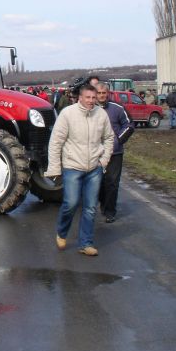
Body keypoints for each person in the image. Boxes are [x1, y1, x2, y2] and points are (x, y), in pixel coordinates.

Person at [46, 84, 114, 256]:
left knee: (90, 207)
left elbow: (109, 138)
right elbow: (56, 142)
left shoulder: (101, 114)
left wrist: (103, 161)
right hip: (72, 166)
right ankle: (62, 232)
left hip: (94, 168)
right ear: (80, 98)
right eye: (88, 97)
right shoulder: (68, 114)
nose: (91, 101)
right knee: (71, 203)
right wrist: (54, 168)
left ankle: (86, 243)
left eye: (93, 98)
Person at [95, 83, 134, 223]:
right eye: (98, 93)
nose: (101, 96)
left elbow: (129, 125)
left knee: (112, 182)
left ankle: (110, 211)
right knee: (98, 182)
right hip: (96, 153)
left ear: (108, 93)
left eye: (103, 93)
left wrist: (118, 140)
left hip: (115, 153)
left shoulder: (117, 108)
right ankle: (103, 202)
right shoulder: (90, 109)